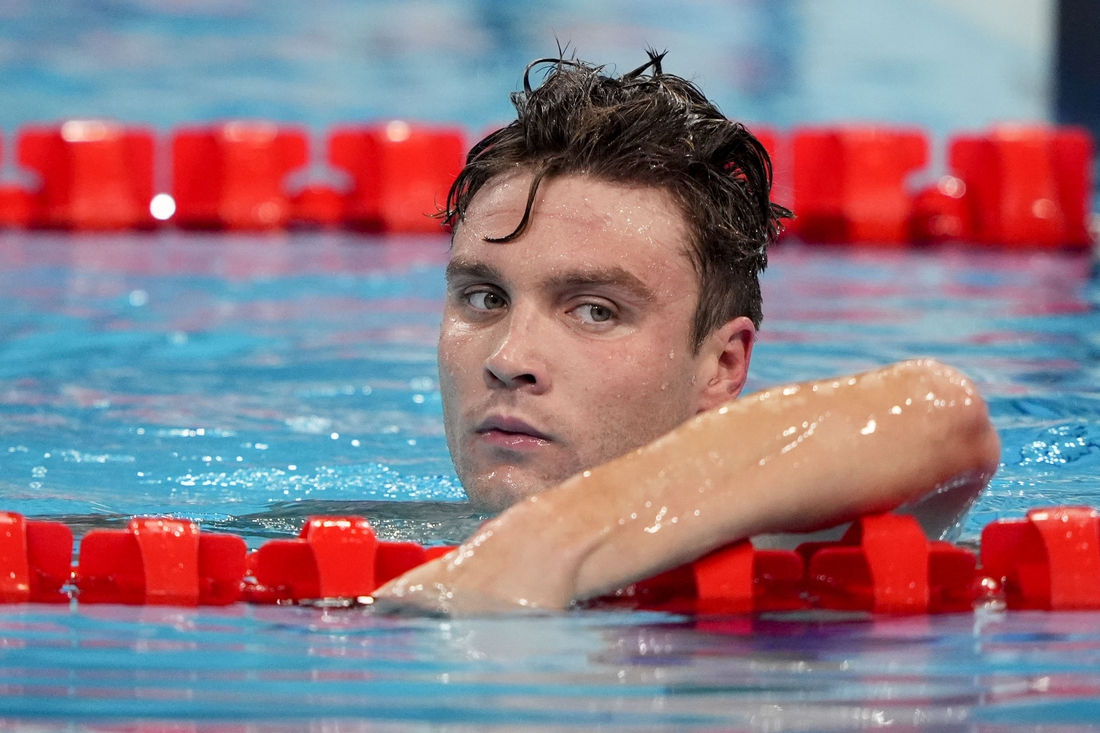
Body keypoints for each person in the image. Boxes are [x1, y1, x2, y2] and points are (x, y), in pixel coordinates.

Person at [374, 53, 1001, 613]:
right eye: (484, 298)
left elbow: (940, 415)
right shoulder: (380, 543)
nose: (509, 360)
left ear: (722, 365)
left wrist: (560, 536)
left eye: (595, 311)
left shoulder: (794, 536)